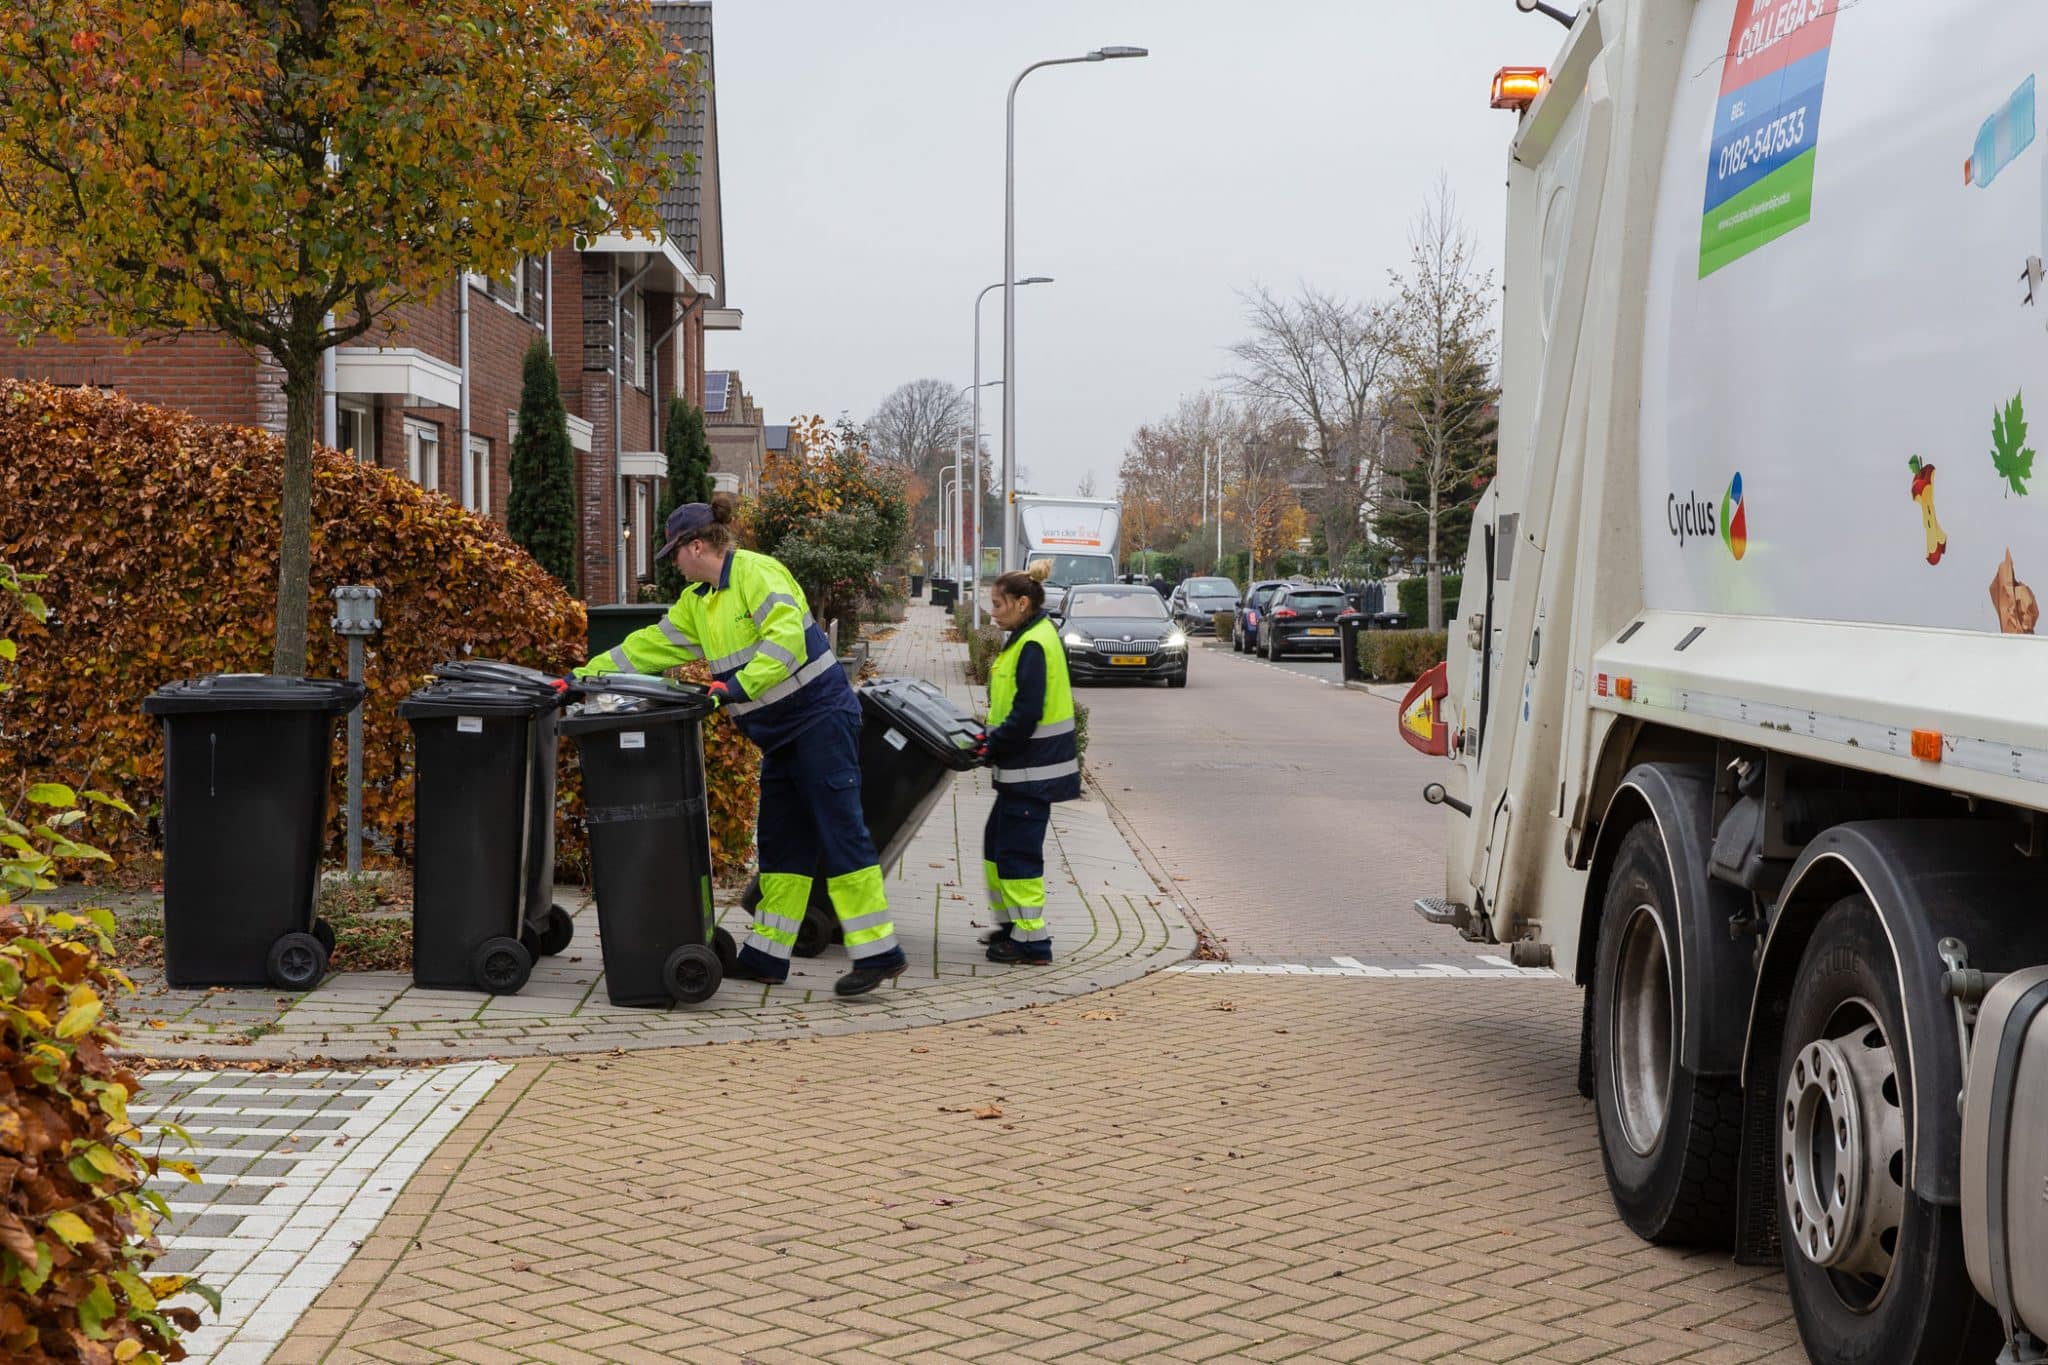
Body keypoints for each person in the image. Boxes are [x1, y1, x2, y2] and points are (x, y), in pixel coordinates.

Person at [575, 496, 907, 997]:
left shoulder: (758, 574)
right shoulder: (700, 601)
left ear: (698, 546)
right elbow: (646, 647)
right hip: (781, 736)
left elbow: (785, 642)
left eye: (675, 555)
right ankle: (768, 957)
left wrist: (734, 687)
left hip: (819, 721)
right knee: (781, 842)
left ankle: (879, 952)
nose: (674, 566)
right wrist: (579, 679)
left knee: (842, 834)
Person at [974, 562, 1081, 964]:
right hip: (1023, 769)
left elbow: (1026, 713)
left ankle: (1033, 942)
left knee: (1017, 854)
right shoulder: (1026, 636)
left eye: (999, 604)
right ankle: (1010, 927)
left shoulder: (1033, 643)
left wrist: (993, 745)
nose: (993, 612)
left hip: (1032, 771)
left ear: (1022, 603)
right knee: (996, 845)